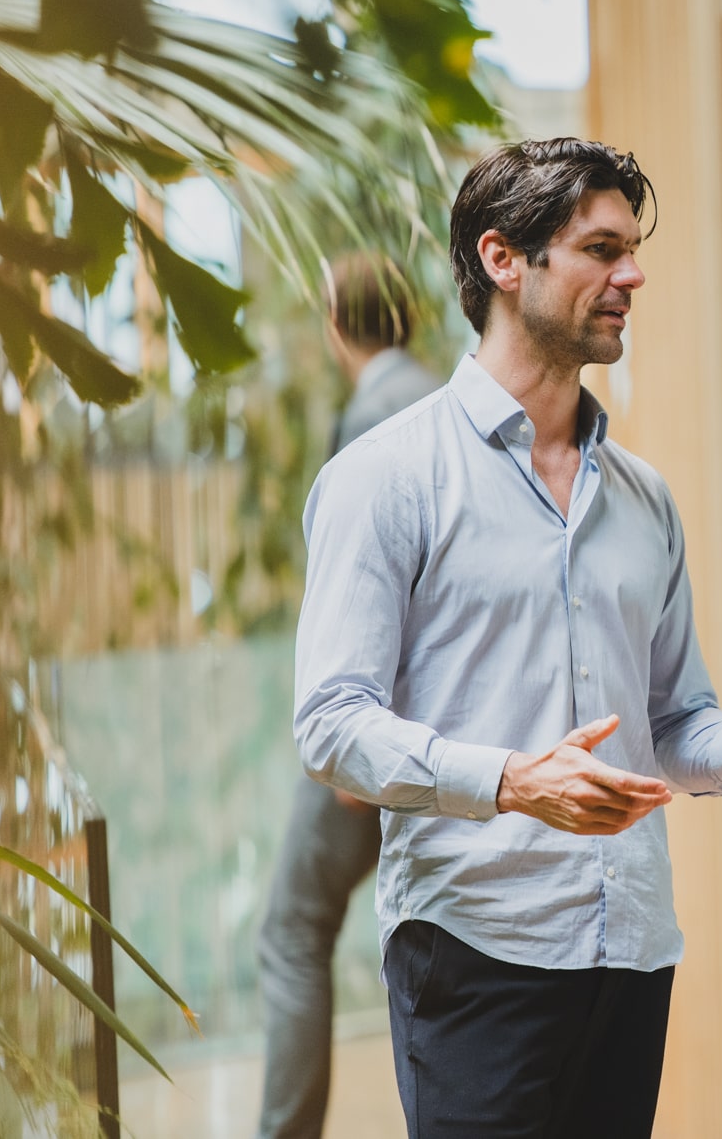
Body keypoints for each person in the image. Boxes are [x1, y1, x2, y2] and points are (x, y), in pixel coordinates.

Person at [293, 138, 722, 1139]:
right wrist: (512, 779)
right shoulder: (386, 479)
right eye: (600, 249)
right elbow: (329, 725)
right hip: (472, 951)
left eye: (631, 251)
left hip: (628, 953)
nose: (630, 275)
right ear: (505, 260)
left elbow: (675, 726)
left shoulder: (646, 500)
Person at [256, 253, 441, 1139]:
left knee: (291, 928)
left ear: (338, 327)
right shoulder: (447, 398)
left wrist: (351, 752)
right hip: (451, 731)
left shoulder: (368, 416)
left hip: (380, 736)